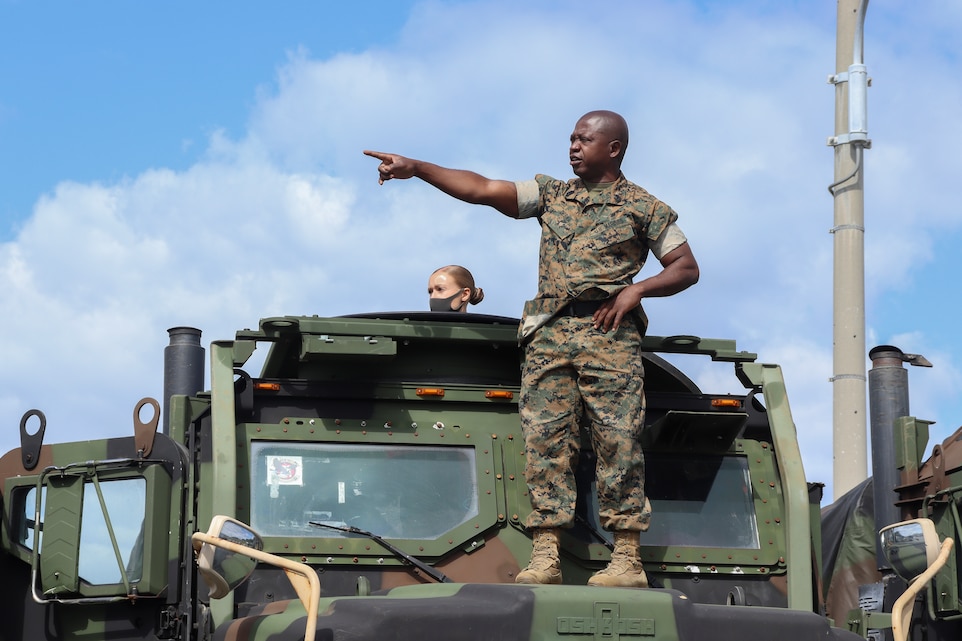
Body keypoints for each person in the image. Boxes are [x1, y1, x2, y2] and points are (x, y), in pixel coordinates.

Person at [364, 110, 699, 587]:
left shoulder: (645, 208)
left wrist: (636, 290)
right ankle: (546, 556)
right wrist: (417, 168)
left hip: (609, 336)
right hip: (548, 336)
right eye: (571, 139)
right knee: (545, 444)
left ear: (614, 148)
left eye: (584, 139)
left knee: (618, 441)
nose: (573, 147)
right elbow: (481, 188)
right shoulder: (552, 195)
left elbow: (685, 268)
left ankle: (626, 559)